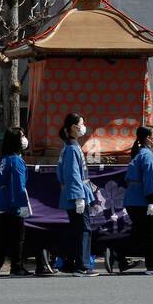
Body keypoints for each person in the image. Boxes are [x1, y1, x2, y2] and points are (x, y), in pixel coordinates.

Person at [120, 126, 153, 274]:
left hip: (133, 200)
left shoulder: (140, 154)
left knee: (139, 233)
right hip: (143, 201)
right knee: (152, 234)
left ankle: (119, 255)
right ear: (148, 137)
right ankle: (152, 266)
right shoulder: (147, 155)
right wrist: (152, 200)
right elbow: (150, 180)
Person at [56, 113, 96, 276]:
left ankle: (72, 263)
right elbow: (72, 175)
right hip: (77, 195)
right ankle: (83, 265)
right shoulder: (72, 148)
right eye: (81, 123)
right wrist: (79, 197)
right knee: (83, 230)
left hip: (75, 192)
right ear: (73, 127)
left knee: (78, 230)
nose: (83, 126)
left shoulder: (70, 146)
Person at [0, 127, 33, 276]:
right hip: (12, 201)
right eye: (22, 136)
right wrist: (21, 204)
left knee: (4, 237)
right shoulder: (16, 160)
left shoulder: (3, 158)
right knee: (18, 238)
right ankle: (17, 267)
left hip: (1, 201)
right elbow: (18, 184)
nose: (24, 139)